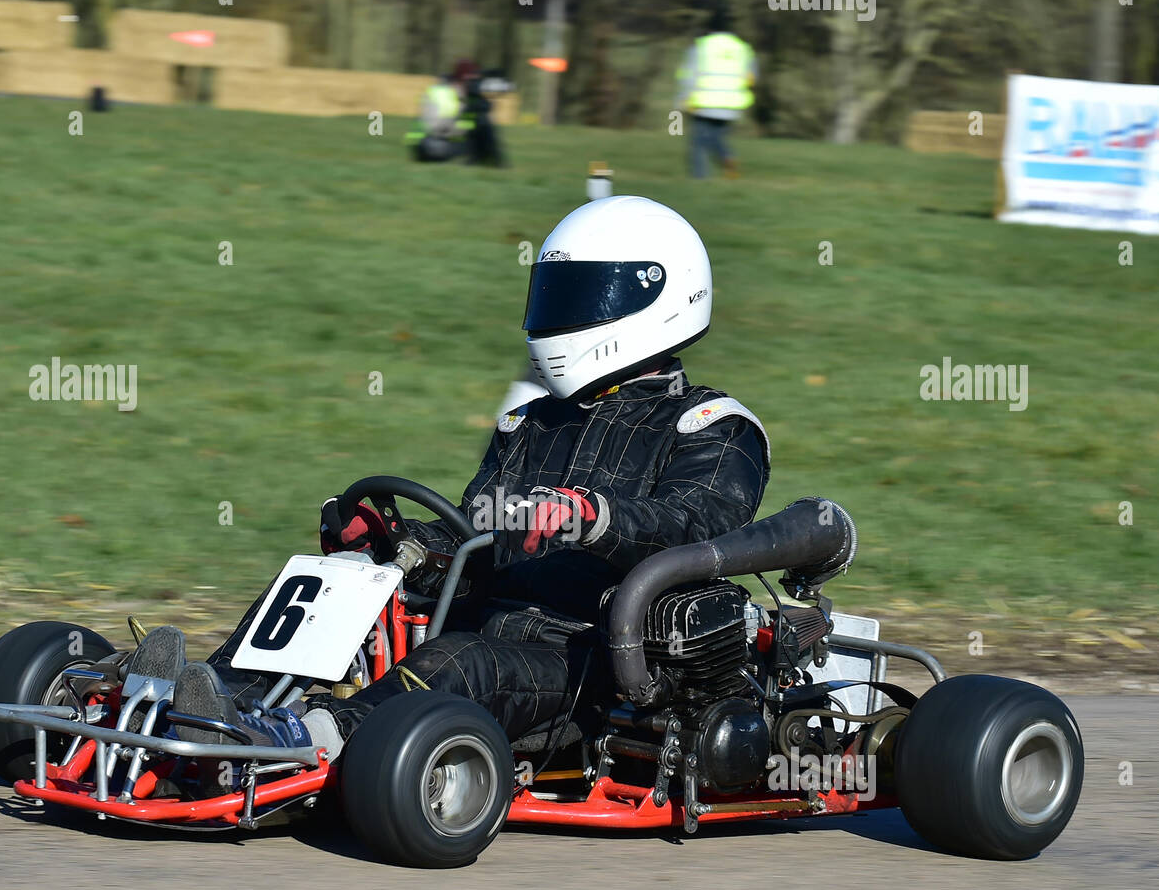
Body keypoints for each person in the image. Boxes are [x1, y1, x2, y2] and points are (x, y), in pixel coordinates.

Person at [148, 196, 771, 760]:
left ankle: (301, 741)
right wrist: (400, 542)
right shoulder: (533, 418)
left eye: (581, 298)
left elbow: (695, 528)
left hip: (597, 663)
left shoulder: (712, 427)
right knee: (332, 584)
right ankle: (201, 703)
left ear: (656, 295)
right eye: (555, 294)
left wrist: (595, 517)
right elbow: (482, 537)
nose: (558, 315)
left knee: (458, 661)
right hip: (489, 623)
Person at [677, 8, 755, 179]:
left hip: (703, 102)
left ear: (710, 29)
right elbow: (751, 78)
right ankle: (728, 158)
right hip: (732, 103)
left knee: (698, 142)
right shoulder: (742, 48)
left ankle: (700, 178)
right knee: (716, 137)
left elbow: (689, 75)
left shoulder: (702, 46)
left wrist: (683, 99)